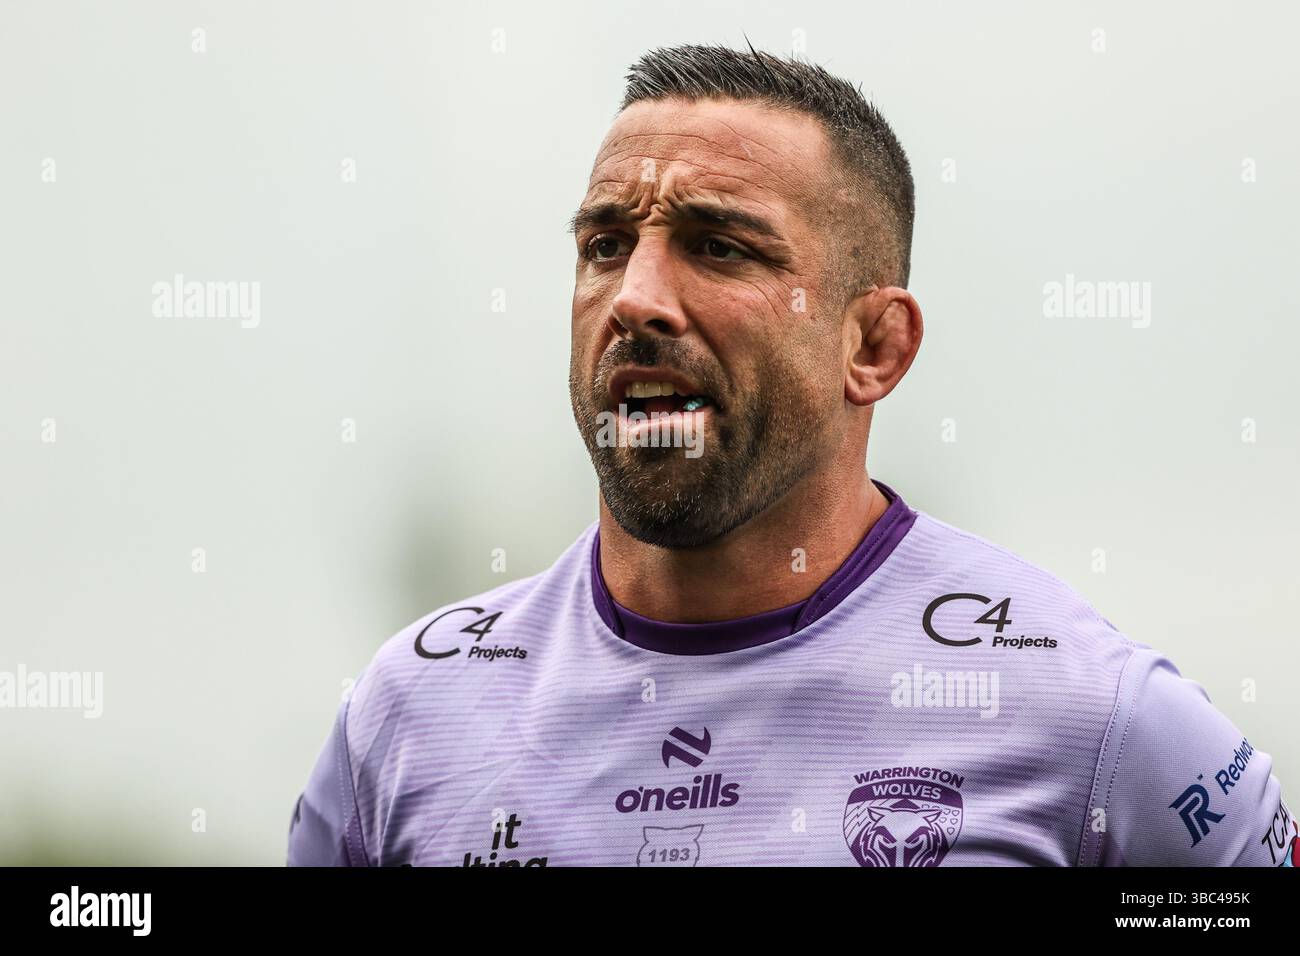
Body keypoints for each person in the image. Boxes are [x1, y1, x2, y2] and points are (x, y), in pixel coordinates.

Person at [287, 43, 1293, 867]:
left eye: (718, 246)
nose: (634, 295)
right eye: (603, 244)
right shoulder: (408, 711)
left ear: (873, 346)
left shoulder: (1092, 717)